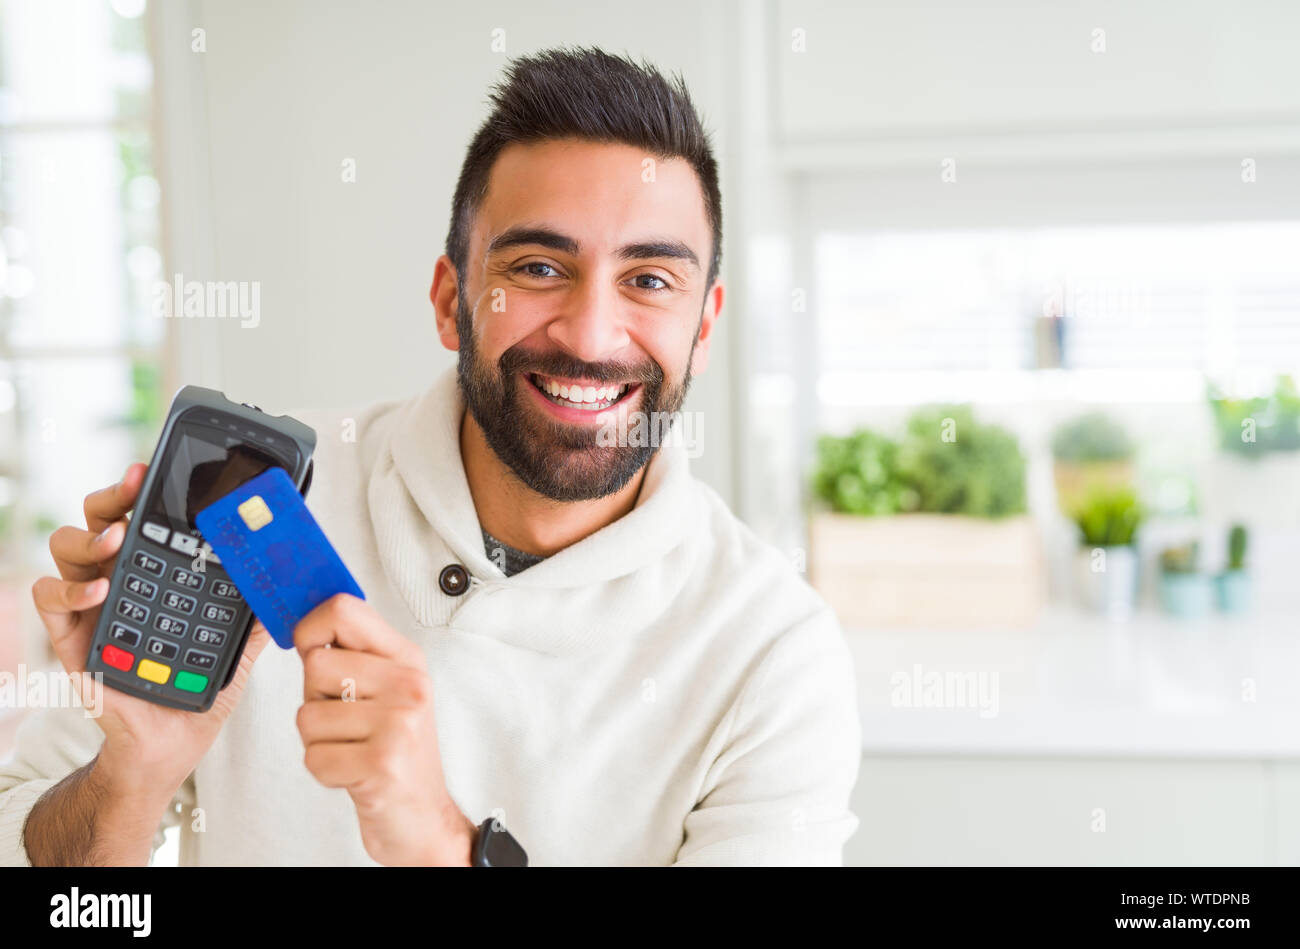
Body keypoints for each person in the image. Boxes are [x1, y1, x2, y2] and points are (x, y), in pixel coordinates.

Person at [1, 45, 860, 866]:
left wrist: (442, 844)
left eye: (649, 280)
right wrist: (135, 771)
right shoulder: (261, 498)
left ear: (703, 329)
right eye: (537, 267)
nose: (593, 334)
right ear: (453, 302)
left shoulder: (773, 655)